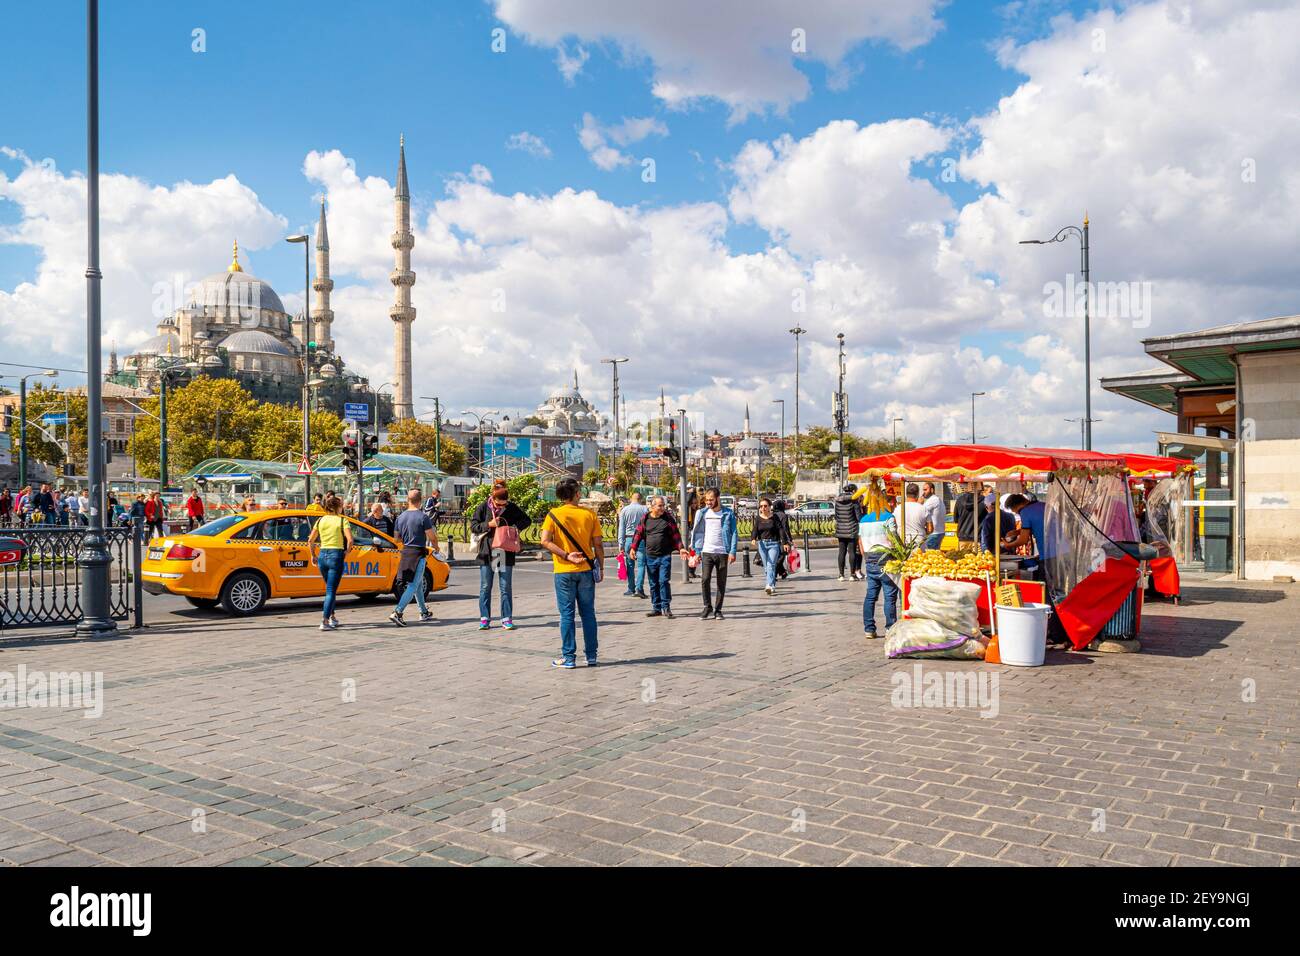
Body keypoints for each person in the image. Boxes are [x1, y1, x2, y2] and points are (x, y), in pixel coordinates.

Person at [540, 477, 603, 669]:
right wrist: (599, 566)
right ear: (576, 494)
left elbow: (545, 541)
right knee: (588, 614)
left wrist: (567, 555)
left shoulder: (553, 514)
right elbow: (598, 544)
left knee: (567, 615)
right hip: (585, 569)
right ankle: (591, 656)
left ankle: (569, 658)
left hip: (563, 570)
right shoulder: (589, 514)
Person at [470, 479, 531, 630]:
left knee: (505, 587)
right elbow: (473, 526)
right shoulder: (483, 507)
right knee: (485, 586)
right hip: (487, 552)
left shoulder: (511, 508)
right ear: (493, 498)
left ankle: (506, 618)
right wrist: (488, 524)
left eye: (504, 504)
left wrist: (514, 527)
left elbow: (527, 520)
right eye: (499, 504)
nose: (501, 506)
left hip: (504, 552)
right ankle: (484, 618)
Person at [389, 488, 439, 626]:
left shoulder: (400, 517)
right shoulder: (423, 517)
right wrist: (436, 547)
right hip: (418, 554)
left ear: (407, 500)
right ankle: (397, 612)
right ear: (421, 500)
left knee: (416, 585)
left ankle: (423, 612)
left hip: (405, 553)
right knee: (413, 585)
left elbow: (396, 539)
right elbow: (431, 537)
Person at [629, 494, 684, 618]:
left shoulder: (668, 518)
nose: (662, 508)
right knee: (653, 583)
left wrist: (681, 549)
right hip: (650, 556)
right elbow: (638, 534)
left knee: (663, 581)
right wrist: (633, 548)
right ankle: (656, 607)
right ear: (652, 507)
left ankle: (666, 607)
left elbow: (676, 535)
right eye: (660, 505)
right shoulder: (645, 519)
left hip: (665, 556)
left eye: (663, 505)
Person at [689, 487, 738, 620]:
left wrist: (732, 551)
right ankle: (707, 607)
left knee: (721, 582)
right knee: (705, 579)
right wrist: (697, 551)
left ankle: (718, 610)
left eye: (711, 500)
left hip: (722, 552)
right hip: (707, 552)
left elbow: (734, 532)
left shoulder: (727, 513)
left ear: (718, 498)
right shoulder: (702, 513)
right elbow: (697, 533)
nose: (708, 502)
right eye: (706, 500)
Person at [307, 494, 352, 631]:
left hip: (322, 554)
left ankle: (332, 616)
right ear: (337, 507)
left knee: (329, 588)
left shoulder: (320, 520)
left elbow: (310, 540)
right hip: (336, 554)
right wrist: (347, 551)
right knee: (331, 590)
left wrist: (313, 555)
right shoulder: (342, 520)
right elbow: (350, 540)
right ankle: (325, 621)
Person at [858, 499, 900, 639]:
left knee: (871, 595)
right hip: (886, 558)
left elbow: (860, 541)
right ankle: (890, 627)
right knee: (889, 595)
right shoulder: (889, 517)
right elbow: (893, 537)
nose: (893, 504)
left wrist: (866, 556)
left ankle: (869, 629)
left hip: (870, 558)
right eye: (891, 502)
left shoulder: (863, 519)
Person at [751, 496, 792, 595]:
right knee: (767, 567)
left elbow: (781, 530)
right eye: (761, 506)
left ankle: (769, 585)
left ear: (770, 507)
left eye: (765, 506)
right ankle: (772, 584)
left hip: (774, 544)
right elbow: (755, 529)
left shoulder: (775, 518)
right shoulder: (758, 518)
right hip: (762, 544)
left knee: (771, 564)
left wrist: (785, 543)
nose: (763, 508)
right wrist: (753, 538)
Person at [617, 492, 649, 599]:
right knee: (641, 564)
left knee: (630, 564)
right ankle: (639, 588)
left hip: (628, 538)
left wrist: (621, 543)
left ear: (631, 499)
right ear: (641, 499)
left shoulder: (624, 510)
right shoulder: (645, 509)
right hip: (640, 539)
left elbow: (621, 528)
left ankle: (631, 588)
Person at [834, 483, 864, 581]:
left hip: (840, 529)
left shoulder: (837, 501)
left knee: (841, 552)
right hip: (852, 529)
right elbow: (859, 517)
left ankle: (841, 575)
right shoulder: (854, 501)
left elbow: (836, 515)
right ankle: (852, 574)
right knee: (852, 552)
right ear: (854, 491)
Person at [952, 481, 985, 545]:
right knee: (977, 555)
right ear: (980, 487)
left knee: (963, 555)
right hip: (977, 538)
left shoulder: (959, 500)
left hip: (962, 537)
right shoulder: (984, 501)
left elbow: (956, 519)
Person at [920, 482, 945, 551]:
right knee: (934, 556)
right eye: (923, 490)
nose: (923, 492)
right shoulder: (938, 499)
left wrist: (919, 503)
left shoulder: (933, 500)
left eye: (925, 490)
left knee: (928, 556)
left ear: (932, 490)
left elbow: (921, 511)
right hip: (938, 532)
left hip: (934, 533)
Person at [772, 499, 792, 580]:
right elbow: (785, 528)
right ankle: (774, 574)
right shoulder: (783, 515)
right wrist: (789, 539)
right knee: (780, 557)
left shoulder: (772, 514)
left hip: (773, 538)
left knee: (776, 557)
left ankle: (782, 572)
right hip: (782, 539)